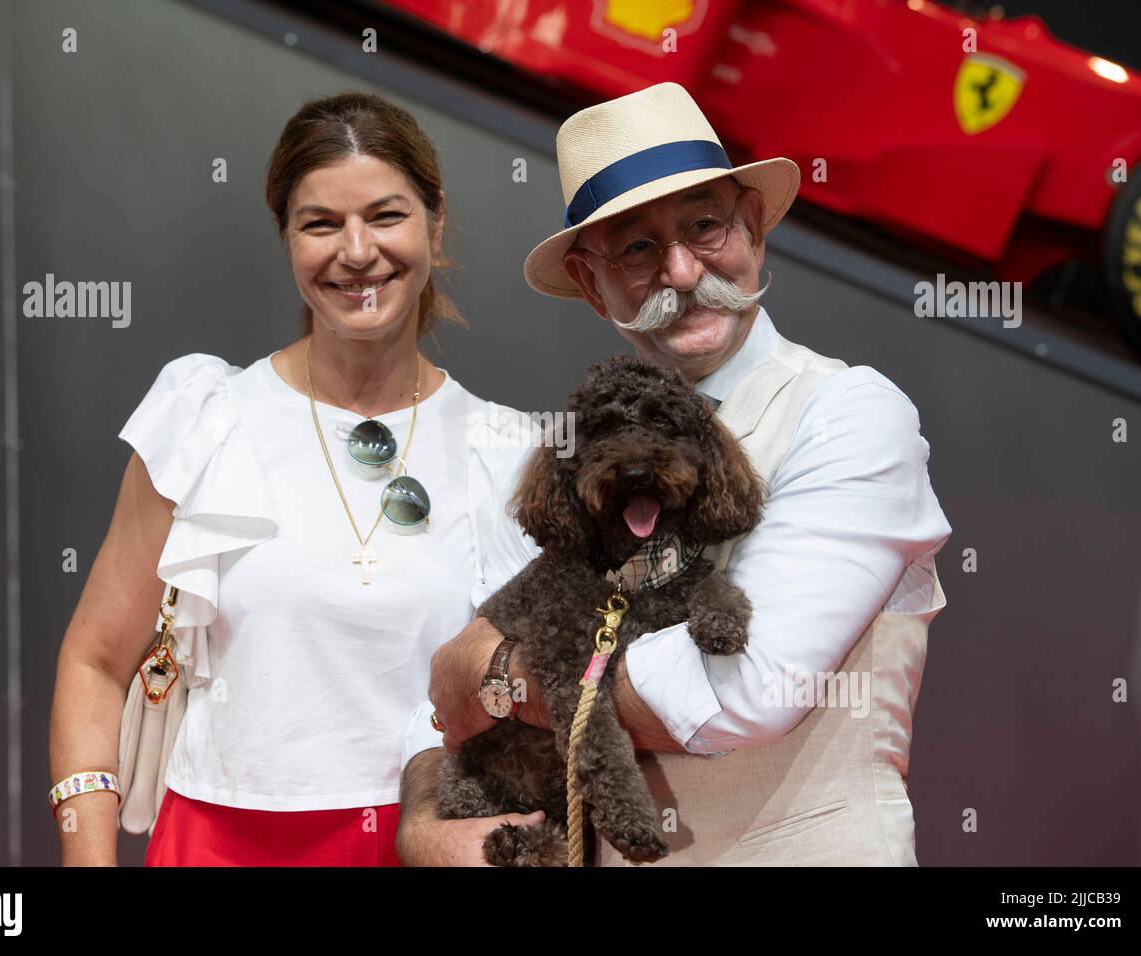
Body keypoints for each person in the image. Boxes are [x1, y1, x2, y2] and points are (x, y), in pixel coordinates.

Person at [396, 82, 953, 866]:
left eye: (705, 227)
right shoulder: (575, 456)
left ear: (753, 227)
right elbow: (443, 706)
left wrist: (504, 675)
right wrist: (424, 818)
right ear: (593, 284)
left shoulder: (852, 415)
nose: (684, 272)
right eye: (638, 248)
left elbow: (746, 690)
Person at [48, 91, 540, 866]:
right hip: (215, 844)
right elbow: (96, 663)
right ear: (286, 235)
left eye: (385, 215)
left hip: (422, 844)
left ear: (435, 222)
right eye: (320, 223)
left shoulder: (511, 452)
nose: (355, 251)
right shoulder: (204, 415)